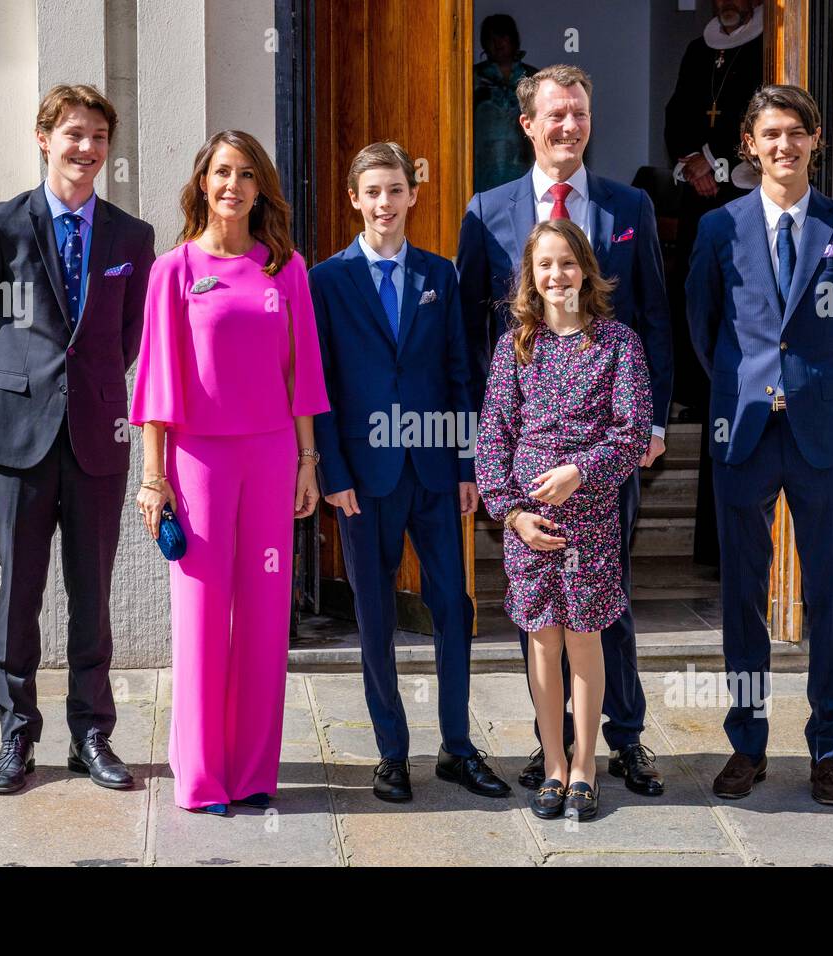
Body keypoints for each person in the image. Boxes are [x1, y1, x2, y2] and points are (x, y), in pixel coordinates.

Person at [457, 63, 672, 797]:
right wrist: (489, 468)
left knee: (608, 600)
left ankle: (625, 739)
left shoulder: (629, 206)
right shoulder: (486, 212)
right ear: (528, 124)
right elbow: (469, 334)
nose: (569, 126)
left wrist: (650, 422)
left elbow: (655, 318)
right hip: (523, 455)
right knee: (538, 615)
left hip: (610, 446)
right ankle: (553, 747)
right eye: (555, 115)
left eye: (579, 113)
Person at [685, 85, 833, 806]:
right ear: (749, 143)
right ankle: (748, 744)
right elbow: (705, 331)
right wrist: (750, 389)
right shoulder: (719, 229)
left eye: (796, 133)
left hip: (822, 436)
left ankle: (827, 747)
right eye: (770, 134)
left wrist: (816, 389)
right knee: (742, 595)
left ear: (815, 138)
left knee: (830, 592)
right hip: (742, 434)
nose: (783, 146)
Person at [0, 83, 155, 796]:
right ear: (45, 138)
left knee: (91, 593)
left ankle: (92, 734)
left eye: (99, 135)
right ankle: (17, 734)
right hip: (16, 440)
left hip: (98, 438)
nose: (87, 148)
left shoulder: (132, 238)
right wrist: (13, 387)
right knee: (19, 591)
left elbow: (129, 337)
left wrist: (88, 391)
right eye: (74, 133)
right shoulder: (2, 224)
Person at [130, 130, 329, 816]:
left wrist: (308, 463)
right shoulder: (174, 270)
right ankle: (202, 780)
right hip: (198, 463)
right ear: (203, 183)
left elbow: (301, 375)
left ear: (259, 188)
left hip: (272, 457)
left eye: (246, 174)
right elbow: (157, 382)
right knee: (202, 619)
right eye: (222, 172)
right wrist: (154, 478)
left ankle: (253, 774)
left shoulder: (287, 269)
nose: (233, 185)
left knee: (267, 619)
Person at [310, 142, 510, 803]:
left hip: (431, 470)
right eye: (373, 191)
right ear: (354, 198)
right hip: (363, 479)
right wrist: (331, 469)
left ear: (412, 195)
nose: (385, 203)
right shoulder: (326, 281)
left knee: (453, 605)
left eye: (396, 190)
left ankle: (457, 746)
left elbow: (457, 372)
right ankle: (391, 751)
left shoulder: (439, 276)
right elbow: (322, 385)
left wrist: (466, 463)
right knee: (373, 613)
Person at [476, 220, 652, 821]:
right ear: (531, 276)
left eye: (568, 264)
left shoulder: (618, 344)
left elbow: (632, 436)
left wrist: (581, 469)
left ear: (586, 270)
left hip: (594, 521)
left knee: (584, 641)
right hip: (531, 528)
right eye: (545, 265)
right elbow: (493, 437)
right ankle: (552, 763)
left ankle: (585, 765)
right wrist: (513, 514)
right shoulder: (515, 347)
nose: (557, 276)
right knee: (543, 643)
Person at [664, 0, 765, 569]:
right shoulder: (697, 50)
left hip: (741, 200)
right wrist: (690, 161)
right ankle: (691, 390)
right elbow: (678, 116)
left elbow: (758, 128)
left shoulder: (762, 48)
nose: (727, 4)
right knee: (696, 317)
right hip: (697, 205)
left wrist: (719, 166)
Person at [473, 14, 538, 192]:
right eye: (491, 38)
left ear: (514, 39)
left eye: (502, 36)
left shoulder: (533, 77)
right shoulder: (472, 78)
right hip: (481, 163)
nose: (497, 43)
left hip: (523, 161)